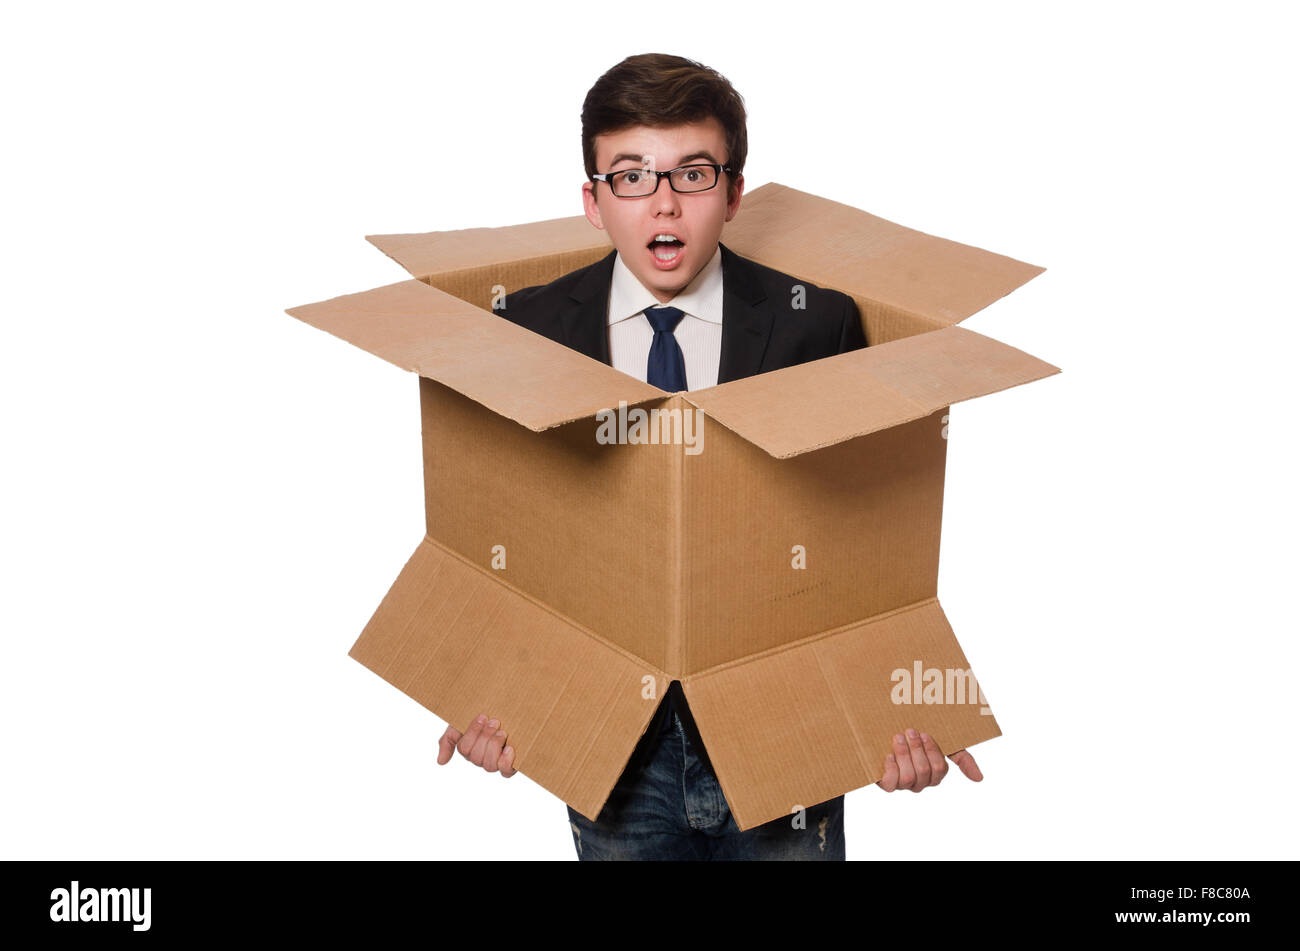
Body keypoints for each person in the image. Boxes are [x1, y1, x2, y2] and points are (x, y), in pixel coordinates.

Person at [435, 53, 983, 860]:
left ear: (732, 193)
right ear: (592, 200)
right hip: (612, 748)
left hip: (786, 734)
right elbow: (502, 521)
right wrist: (487, 689)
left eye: (692, 173)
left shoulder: (815, 324)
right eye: (631, 176)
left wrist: (896, 701)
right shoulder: (525, 328)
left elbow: (868, 524)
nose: (663, 202)